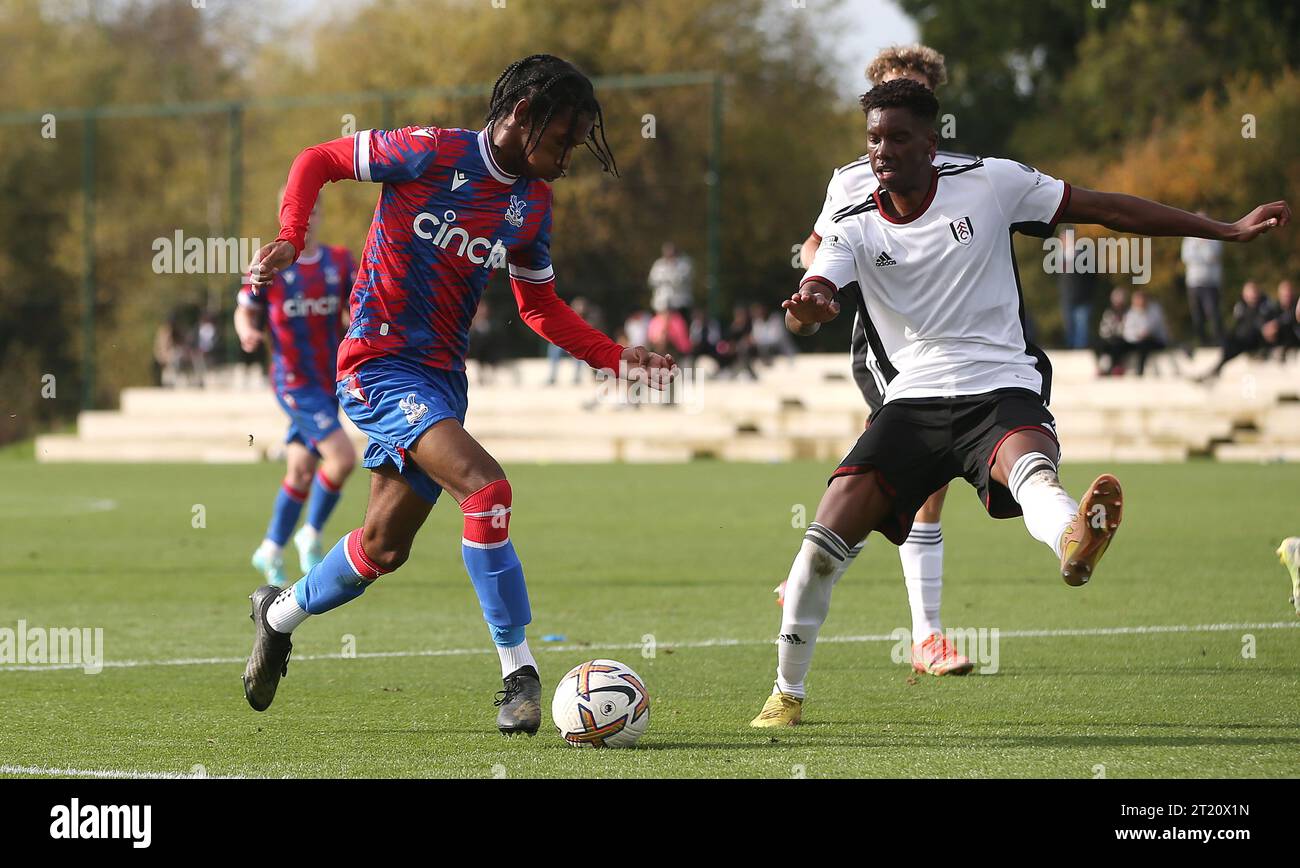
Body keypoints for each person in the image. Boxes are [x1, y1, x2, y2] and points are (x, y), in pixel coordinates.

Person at [751, 78, 1289, 727]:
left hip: (1000, 386)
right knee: (816, 550)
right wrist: (812, 309)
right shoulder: (853, 222)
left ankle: (1072, 536)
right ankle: (787, 695)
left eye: (897, 138)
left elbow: (1108, 209)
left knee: (1032, 472)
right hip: (912, 402)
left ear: (931, 142)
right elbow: (816, 293)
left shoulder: (991, 182)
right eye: (873, 139)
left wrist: (1223, 230)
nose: (882, 151)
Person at [240, 54, 677, 736]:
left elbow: (540, 307)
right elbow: (316, 158)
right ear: (522, 117)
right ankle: (519, 673)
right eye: (563, 139)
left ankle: (277, 615)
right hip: (378, 366)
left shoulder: (531, 204)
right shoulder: (428, 152)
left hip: (441, 381)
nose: (567, 158)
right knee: (487, 491)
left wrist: (616, 357)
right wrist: (292, 237)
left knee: (381, 550)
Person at [787, 43, 976, 677]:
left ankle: (822, 555)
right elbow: (818, 243)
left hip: (961, 352)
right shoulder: (851, 178)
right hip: (887, 352)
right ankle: (927, 636)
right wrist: (815, 289)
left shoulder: (962, 172)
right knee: (923, 473)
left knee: (903, 473)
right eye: (894, 85)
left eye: (917, 89)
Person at [234, 193, 358, 588]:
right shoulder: (267, 264)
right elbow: (244, 308)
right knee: (342, 458)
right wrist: (247, 331)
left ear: (320, 214)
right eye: (298, 213)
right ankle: (311, 532)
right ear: (284, 217)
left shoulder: (339, 261)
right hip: (293, 381)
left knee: (302, 470)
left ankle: (270, 548)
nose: (307, 219)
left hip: (328, 380)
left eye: (313, 211)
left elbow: (358, 307)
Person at [1197, 280, 1281, 380]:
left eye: (1254, 292)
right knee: (1228, 341)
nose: (1252, 295)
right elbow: (1237, 327)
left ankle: (1216, 370)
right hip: (1243, 341)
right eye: (1249, 292)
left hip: (1260, 340)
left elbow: (1268, 324)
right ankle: (1216, 369)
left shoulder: (1266, 305)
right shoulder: (1240, 307)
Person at [1181, 217, 1225, 346]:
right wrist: (1201, 251)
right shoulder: (1189, 239)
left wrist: (1203, 247)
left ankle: (1218, 339)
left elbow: (1212, 256)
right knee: (1197, 314)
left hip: (1211, 282)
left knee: (1213, 312)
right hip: (1194, 282)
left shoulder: (1214, 238)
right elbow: (1187, 257)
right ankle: (1202, 341)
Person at [1057, 226, 1100, 349]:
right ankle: (1071, 353)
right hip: (1067, 298)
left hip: (1083, 298)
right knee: (1069, 329)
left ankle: (1079, 353)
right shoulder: (1060, 256)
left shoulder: (1083, 254)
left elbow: (1093, 276)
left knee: (1082, 331)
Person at [1120, 290, 1170, 376]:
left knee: (1144, 344)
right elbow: (1127, 332)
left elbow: (1151, 328)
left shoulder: (1155, 310)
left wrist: (1142, 334)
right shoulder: (1131, 312)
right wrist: (1137, 335)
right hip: (1138, 341)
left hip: (1156, 341)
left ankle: (1140, 371)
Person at [648, 242, 694, 315]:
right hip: (661, 304)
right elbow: (652, 280)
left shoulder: (684, 264)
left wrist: (666, 279)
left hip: (680, 303)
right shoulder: (658, 264)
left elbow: (679, 280)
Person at [1094, 287, 1129, 376]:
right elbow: (1104, 330)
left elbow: (1128, 330)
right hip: (1110, 338)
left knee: (1117, 344)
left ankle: (1117, 367)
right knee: (1100, 344)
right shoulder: (1109, 313)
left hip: (1124, 340)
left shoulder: (1128, 313)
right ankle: (1102, 367)